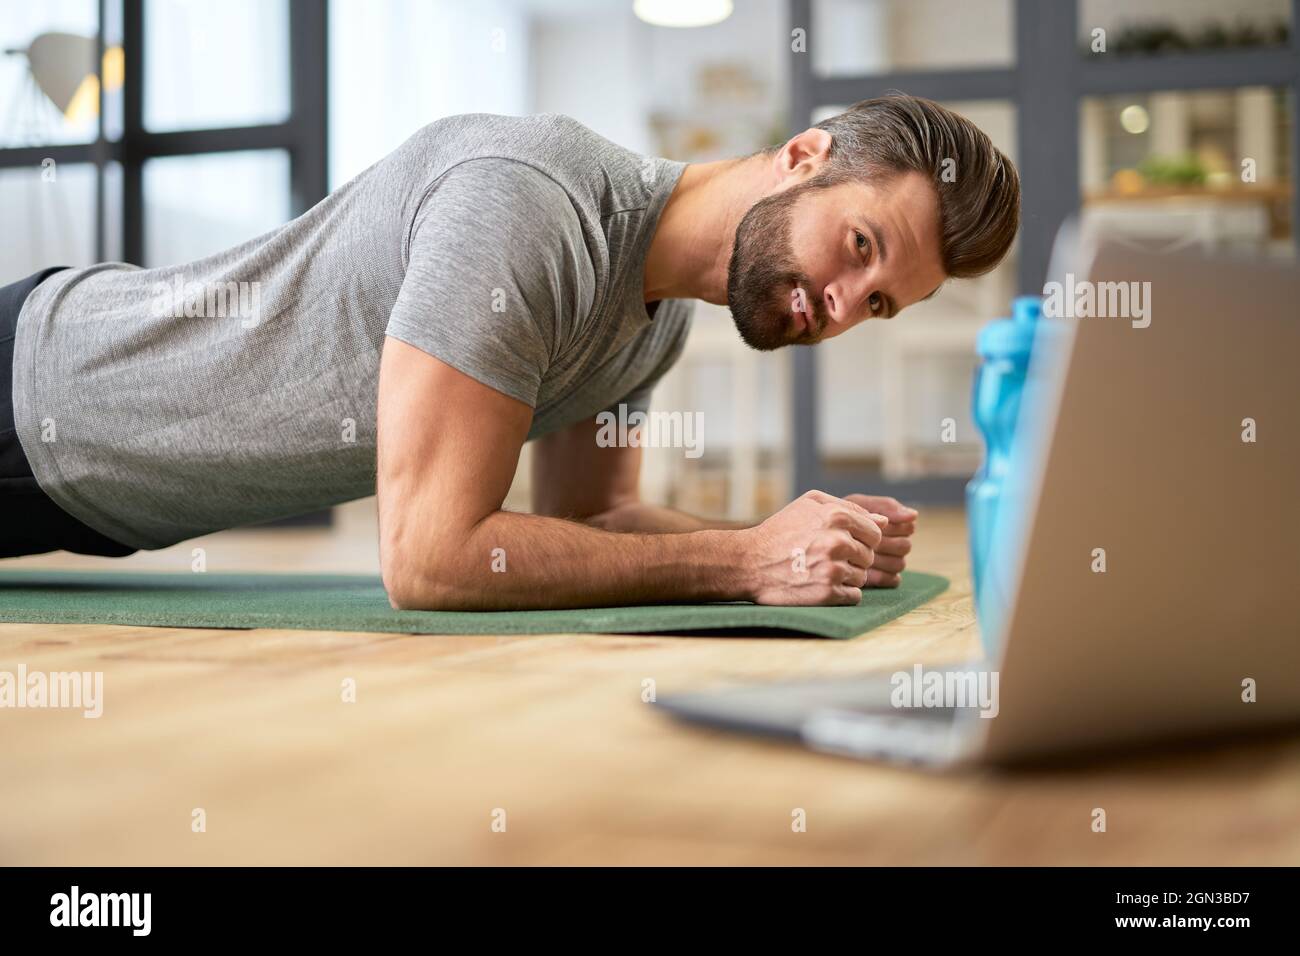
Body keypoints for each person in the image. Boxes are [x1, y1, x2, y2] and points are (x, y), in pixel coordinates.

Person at [0, 94, 1019, 609]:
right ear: (805, 156)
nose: (838, 306)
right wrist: (743, 559)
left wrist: (802, 538)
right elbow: (432, 556)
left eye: (876, 303)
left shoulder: (655, 311)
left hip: (90, 499)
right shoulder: (529, 208)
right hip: (37, 384)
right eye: (858, 249)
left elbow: (597, 521)